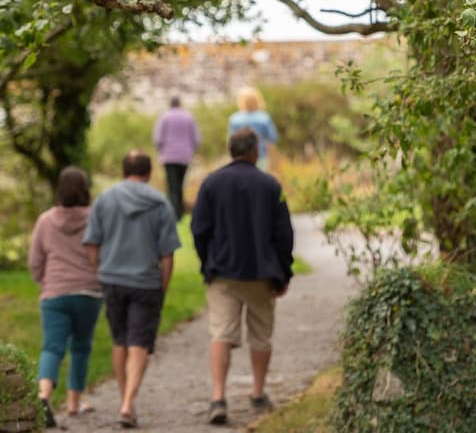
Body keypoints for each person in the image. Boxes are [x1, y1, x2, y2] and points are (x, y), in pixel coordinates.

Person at [191, 127, 294, 426]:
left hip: (222, 271)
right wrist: (283, 271)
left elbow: (199, 230)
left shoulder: (211, 183)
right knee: (261, 334)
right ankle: (258, 393)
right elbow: (283, 233)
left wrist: (207, 261)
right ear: (254, 151)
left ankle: (218, 397)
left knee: (221, 333)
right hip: (261, 271)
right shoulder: (270, 185)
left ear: (230, 150)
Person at [83, 150, 180, 429]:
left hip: (112, 279)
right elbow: (168, 254)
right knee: (139, 343)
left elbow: (92, 242)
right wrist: (163, 286)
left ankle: (125, 401)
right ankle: (128, 402)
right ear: (148, 173)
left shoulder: (105, 200)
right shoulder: (160, 203)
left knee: (120, 341)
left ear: (124, 171)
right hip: (146, 282)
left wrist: (99, 270)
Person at [28, 166, 103, 428]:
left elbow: (35, 261)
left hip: (55, 293)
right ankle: (73, 403)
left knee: (52, 347)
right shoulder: (96, 218)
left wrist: (44, 283)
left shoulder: (45, 220)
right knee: (81, 346)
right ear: (85, 189)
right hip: (88, 292)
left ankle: (43, 395)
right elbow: (102, 253)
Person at [153, 96, 201, 220]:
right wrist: (191, 151)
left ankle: (173, 214)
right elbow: (196, 138)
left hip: (168, 157)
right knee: (180, 185)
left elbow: (158, 138)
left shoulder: (164, 117)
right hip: (185, 156)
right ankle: (178, 213)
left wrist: (160, 151)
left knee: (171, 186)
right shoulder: (189, 117)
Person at [228, 87, 278, 172]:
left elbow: (231, 141)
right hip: (260, 156)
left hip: (239, 158)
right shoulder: (264, 118)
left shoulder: (234, 119)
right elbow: (273, 138)